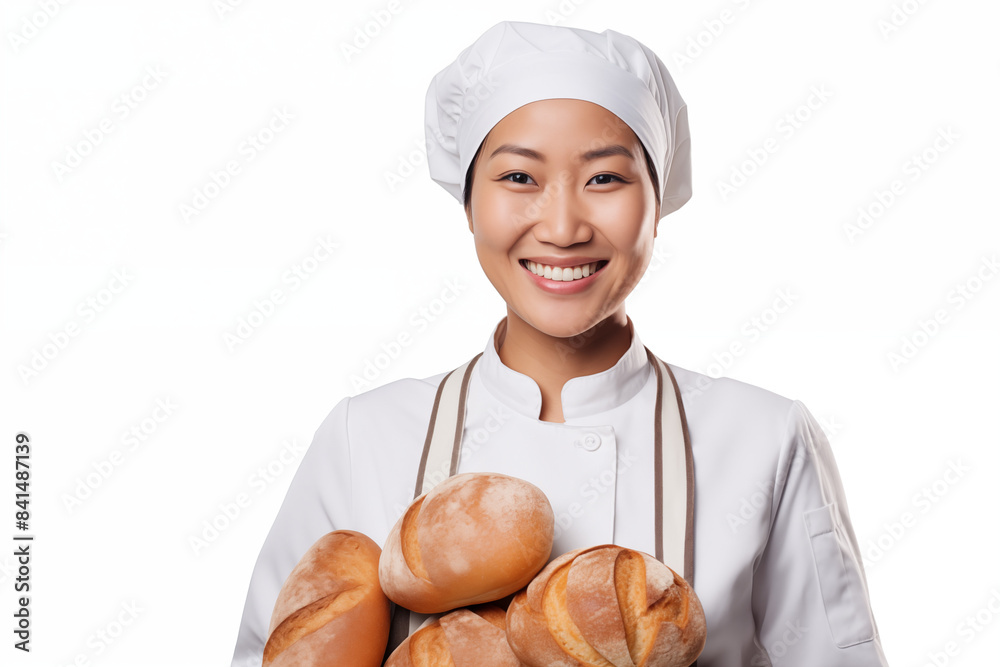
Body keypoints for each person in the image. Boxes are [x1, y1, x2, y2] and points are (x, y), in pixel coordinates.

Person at [231, 20, 889, 666]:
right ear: (468, 204)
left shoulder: (766, 439)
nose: (564, 226)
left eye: (605, 178)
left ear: (657, 205)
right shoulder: (364, 437)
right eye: (519, 178)